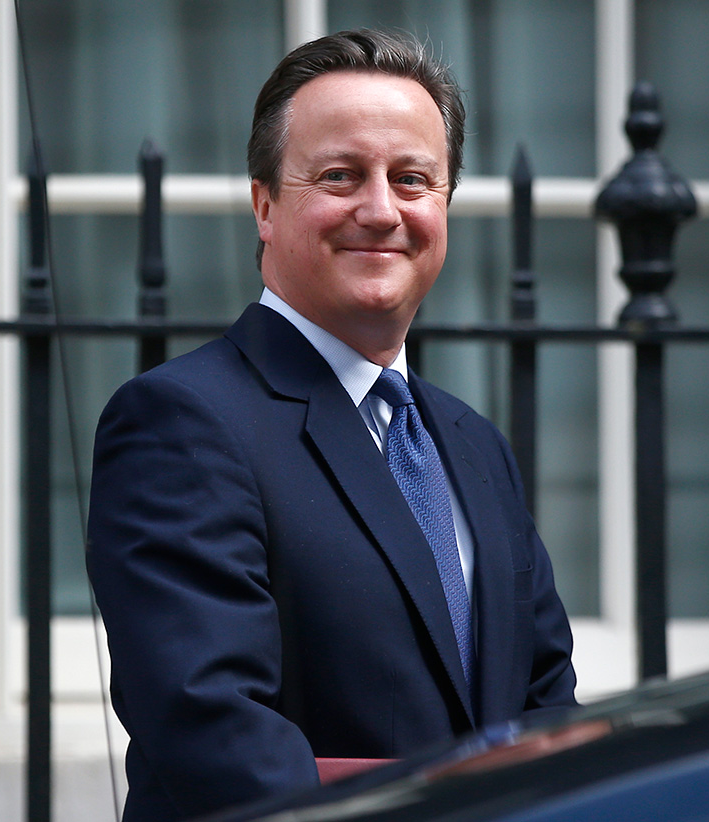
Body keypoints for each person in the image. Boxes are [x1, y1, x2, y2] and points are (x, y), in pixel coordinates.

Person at [86, 29, 578, 822]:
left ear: (444, 208)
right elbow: (212, 730)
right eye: (341, 176)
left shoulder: (473, 444)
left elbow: (548, 701)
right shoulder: (182, 422)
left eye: (413, 179)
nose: (381, 209)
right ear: (264, 205)